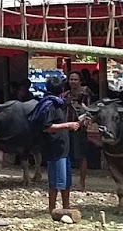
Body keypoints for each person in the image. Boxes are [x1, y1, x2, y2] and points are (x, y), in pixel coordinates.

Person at [32, 78, 84, 221]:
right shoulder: (51, 105)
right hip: (55, 147)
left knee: (65, 180)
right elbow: (47, 127)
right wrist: (67, 125)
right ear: (61, 91)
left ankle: (66, 208)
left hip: (63, 147)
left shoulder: (58, 104)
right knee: (56, 181)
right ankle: (52, 209)